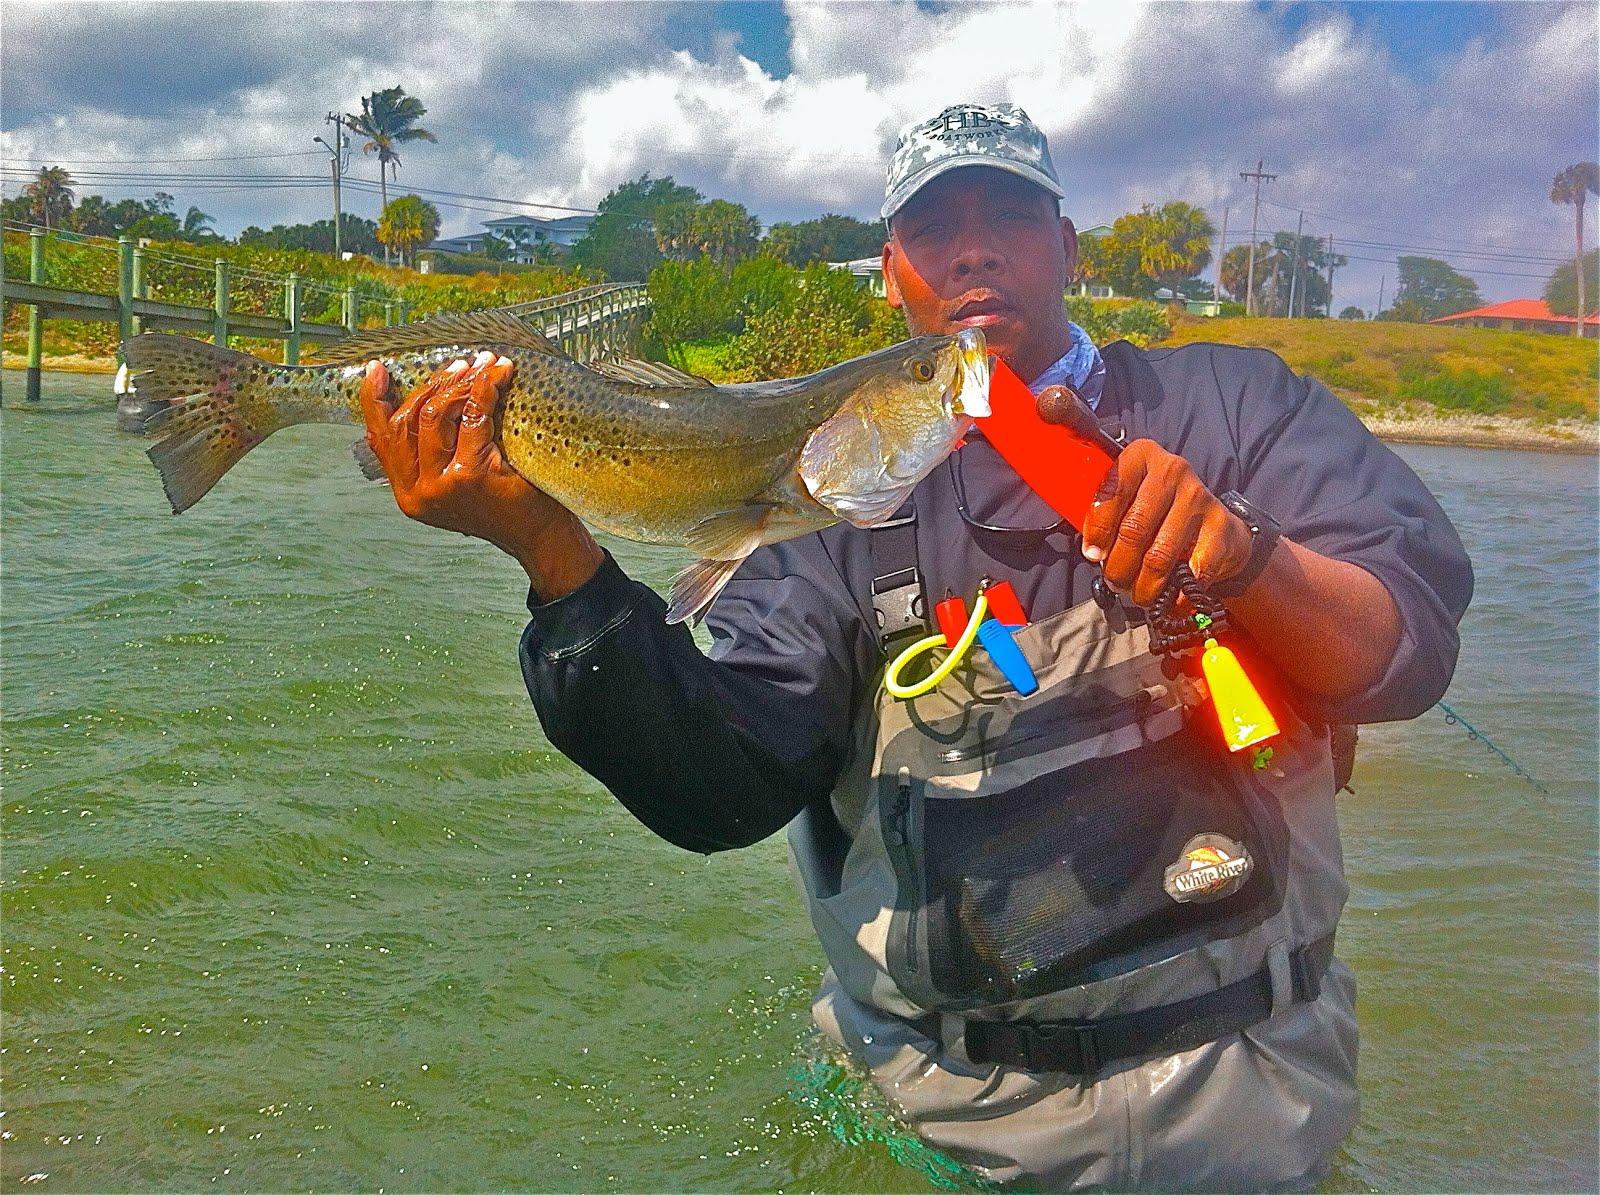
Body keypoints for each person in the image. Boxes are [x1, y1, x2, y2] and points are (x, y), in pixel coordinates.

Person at [359, 102, 1472, 1190]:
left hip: (1261, 1105)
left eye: (1012, 219)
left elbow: (1405, 649)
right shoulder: (821, 507)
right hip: (953, 1137)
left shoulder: (1235, 408)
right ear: (890, 273)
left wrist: (1241, 557)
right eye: (935, 229)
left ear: (1067, 248)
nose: (974, 251)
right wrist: (557, 563)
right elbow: (719, 788)